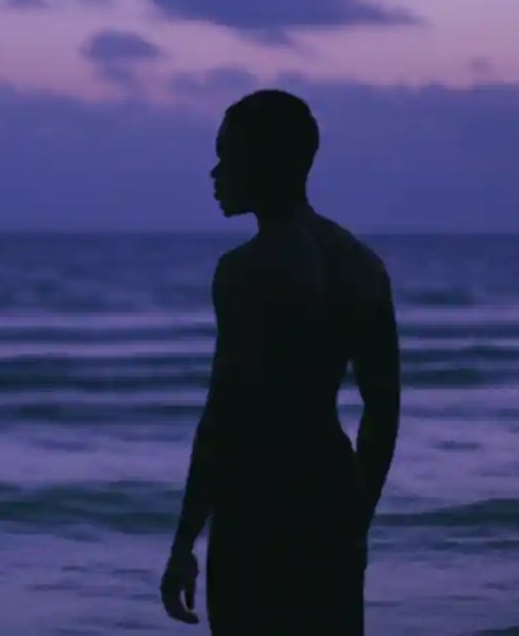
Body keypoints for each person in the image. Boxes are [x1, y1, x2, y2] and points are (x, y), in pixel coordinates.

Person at [159, 90, 401, 634]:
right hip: (331, 491)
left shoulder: (244, 271)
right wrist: (356, 522)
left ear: (263, 162)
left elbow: (225, 410)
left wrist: (183, 542)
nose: (215, 172)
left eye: (228, 156)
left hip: (257, 498)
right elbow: (383, 411)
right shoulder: (362, 264)